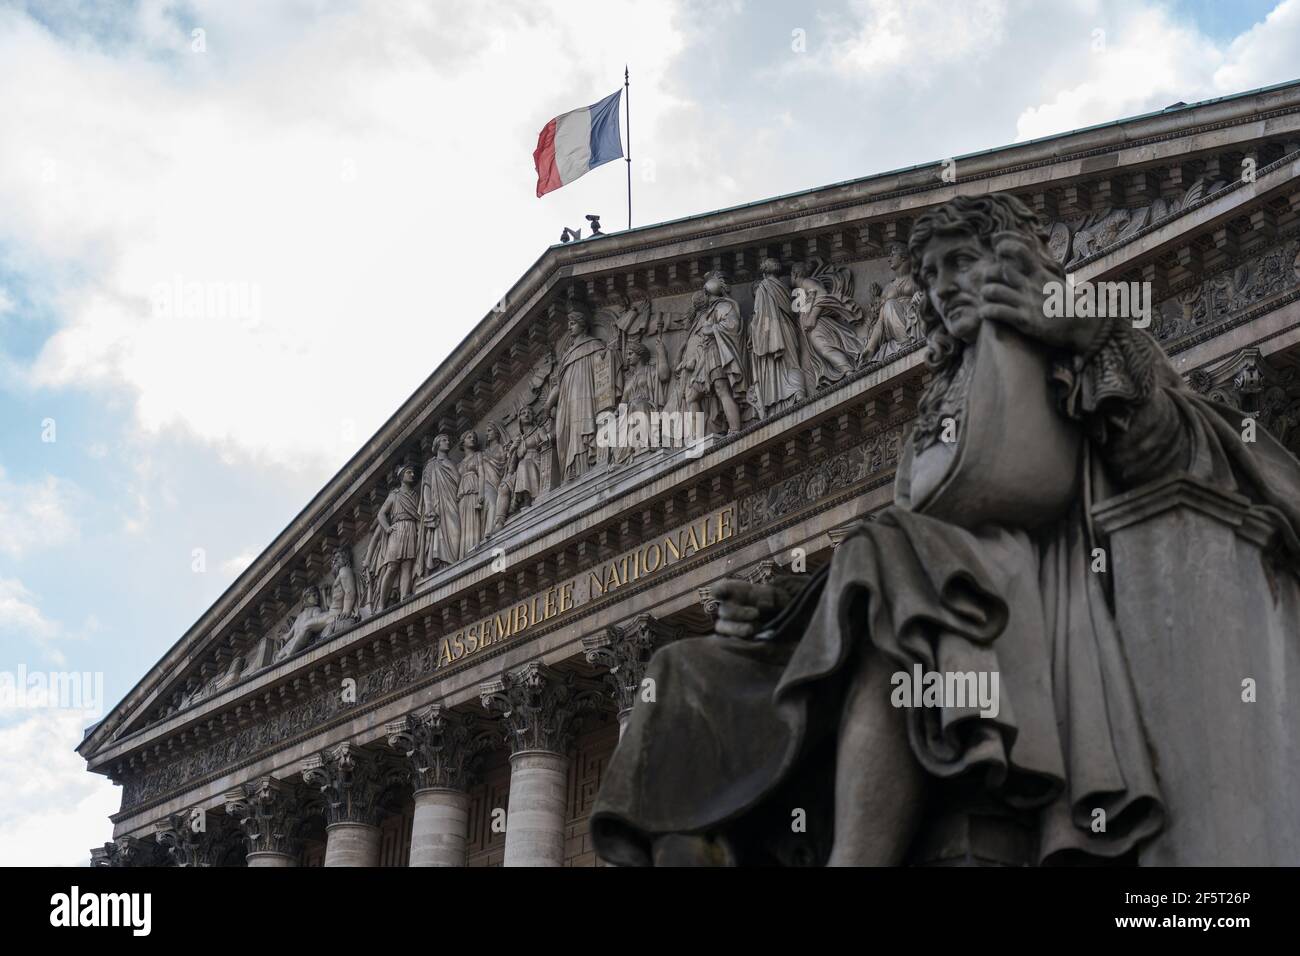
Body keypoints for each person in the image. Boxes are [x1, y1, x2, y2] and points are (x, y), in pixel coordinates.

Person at [590, 193, 1300, 867]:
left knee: (884, 558)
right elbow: (911, 527)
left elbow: (1165, 451)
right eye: (930, 276)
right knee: (682, 670)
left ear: (1014, 259)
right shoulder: (938, 401)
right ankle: (694, 845)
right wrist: (790, 606)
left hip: (1025, 601)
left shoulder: (1074, 341)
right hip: (921, 588)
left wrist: (1084, 331)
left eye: (962, 263)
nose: (942, 288)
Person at [749, 257, 807, 418]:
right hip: (789, 330)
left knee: (779, 368)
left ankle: (777, 405)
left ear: (764, 272)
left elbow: (763, 318)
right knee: (793, 363)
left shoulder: (764, 287)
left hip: (773, 333)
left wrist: (758, 333)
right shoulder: (785, 287)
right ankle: (799, 393)